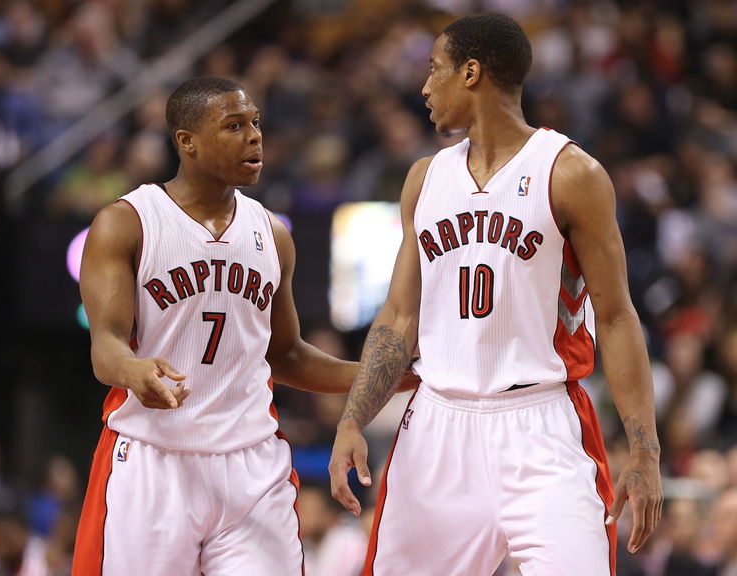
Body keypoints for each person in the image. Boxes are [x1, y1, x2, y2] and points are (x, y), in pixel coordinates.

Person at [328, 12, 663, 575]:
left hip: (541, 425)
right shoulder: (424, 179)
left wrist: (645, 449)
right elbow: (399, 315)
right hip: (437, 423)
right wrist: (352, 420)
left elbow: (617, 317)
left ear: (471, 73)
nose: (424, 87)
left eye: (435, 69)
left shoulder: (570, 173)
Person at [72, 76, 364, 576]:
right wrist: (134, 371)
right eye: (234, 126)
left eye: (256, 123)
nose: (254, 136)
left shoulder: (273, 233)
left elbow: (287, 355)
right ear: (187, 141)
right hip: (154, 458)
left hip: (252, 464)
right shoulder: (127, 222)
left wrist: (386, 374)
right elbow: (106, 346)